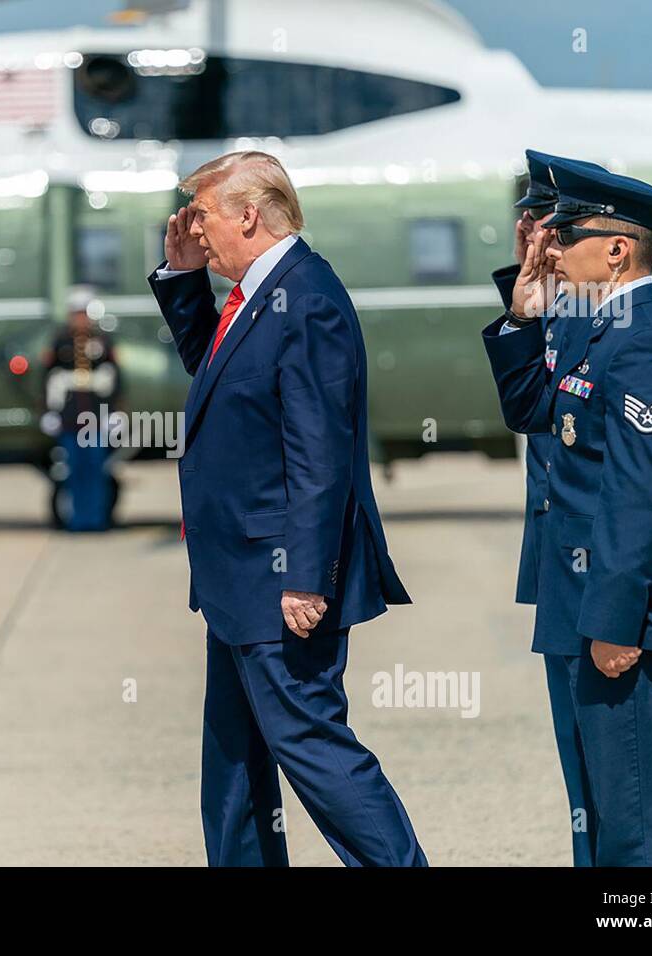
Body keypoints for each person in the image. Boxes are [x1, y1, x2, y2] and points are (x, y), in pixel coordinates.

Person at [148, 151, 423, 867]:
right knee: (234, 766)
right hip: (238, 579)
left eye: (203, 216)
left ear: (248, 214)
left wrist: (307, 575)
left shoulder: (308, 300)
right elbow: (217, 376)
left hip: (278, 581)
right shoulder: (257, 296)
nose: (194, 230)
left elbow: (320, 454)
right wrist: (182, 278)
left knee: (314, 747)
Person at [482, 158, 652, 866]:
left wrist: (615, 623)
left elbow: (639, 497)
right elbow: (532, 412)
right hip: (576, 603)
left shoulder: (644, 341)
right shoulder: (592, 326)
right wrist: (524, 314)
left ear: (617, 248)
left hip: (624, 617)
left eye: (565, 232)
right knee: (596, 823)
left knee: (638, 832)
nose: (548, 245)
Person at [489, 149, 603, 866]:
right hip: (558, 564)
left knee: (612, 770)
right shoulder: (548, 314)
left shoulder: (603, 323)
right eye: (525, 217)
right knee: (581, 772)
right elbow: (525, 411)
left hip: (598, 571)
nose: (531, 232)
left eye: (548, 221)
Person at [41, 285, 121, 531]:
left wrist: (116, 411)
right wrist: (49, 411)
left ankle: (97, 519)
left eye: (83, 313)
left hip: (95, 420)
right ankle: (78, 520)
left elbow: (116, 379)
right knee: (74, 472)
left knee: (96, 471)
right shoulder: (60, 343)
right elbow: (47, 378)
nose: (80, 319)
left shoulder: (103, 342)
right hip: (69, 419)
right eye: (76, 313)